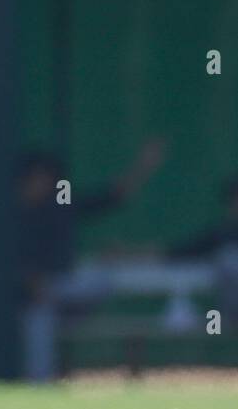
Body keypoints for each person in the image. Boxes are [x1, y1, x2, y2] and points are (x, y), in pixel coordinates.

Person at [17, 138, 166, 381]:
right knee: (38, 316)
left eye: (46, 178)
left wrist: (145, 165)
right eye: (36, 178)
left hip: (66, 294)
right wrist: (30, 283)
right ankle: (39, 388)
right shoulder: (9, 215)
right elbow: (18, 272)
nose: (41, 184)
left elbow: (115, 195)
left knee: (102, 276)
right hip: (35, 303)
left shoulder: (59, 206)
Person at [167, 175, 238, 357]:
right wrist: (127, 253)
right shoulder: (222, 233)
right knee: (229, 258)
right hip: (230, 316)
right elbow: (174, 252)